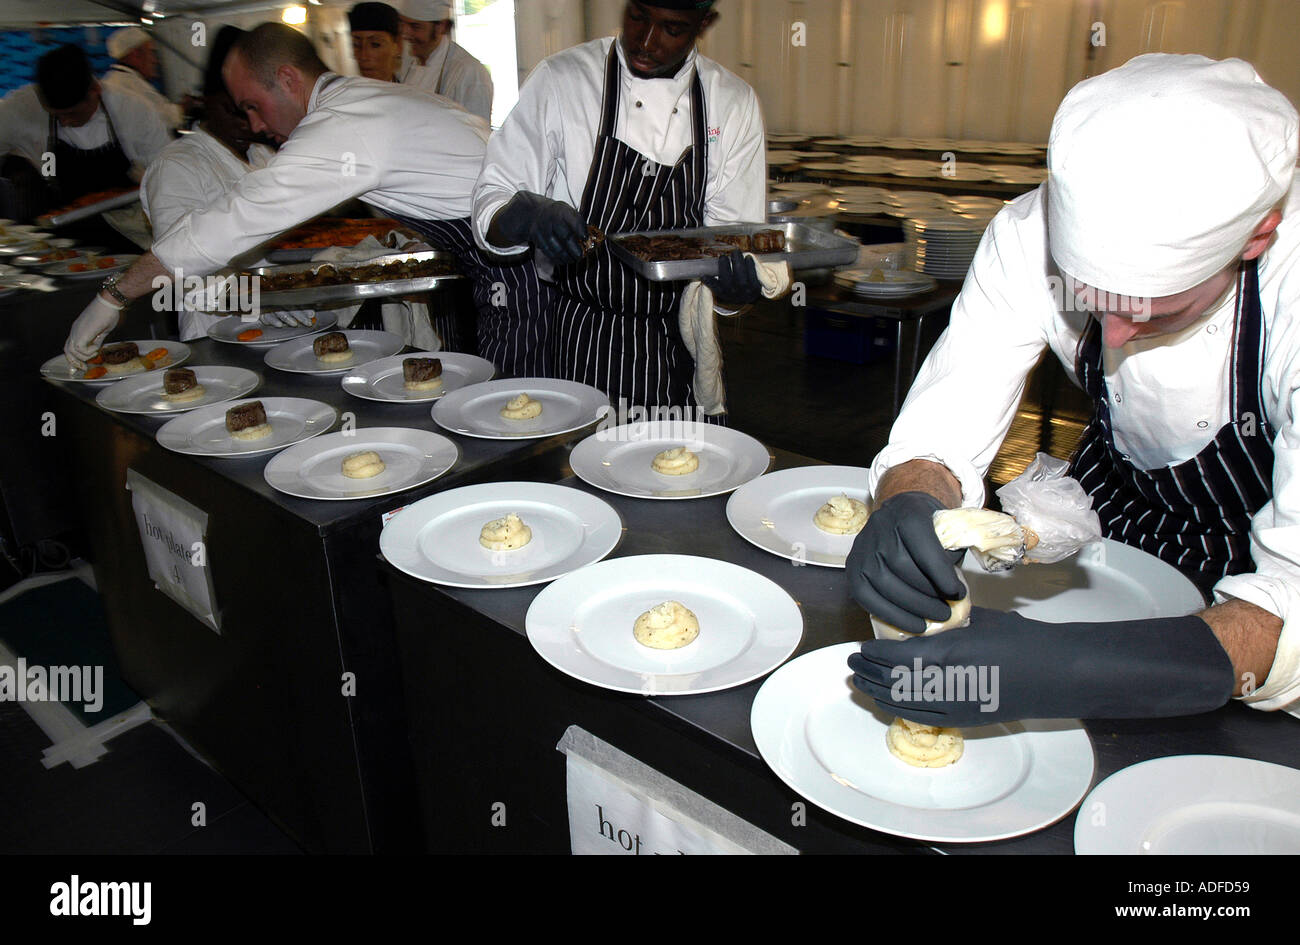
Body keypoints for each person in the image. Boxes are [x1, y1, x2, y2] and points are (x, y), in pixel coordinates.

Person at [845, 54, 1300, 725]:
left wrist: (1084, 669)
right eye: (1088, 298)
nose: (1112, 337)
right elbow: (945, 426)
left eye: (1150, 308)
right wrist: (910, 500)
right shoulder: (1029, 235)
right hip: (1111, 527)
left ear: (1256, 237)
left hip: (1257, 571)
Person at [59, 23, 530, 371]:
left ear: (287, 80)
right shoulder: (367, 99)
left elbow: (225, 226)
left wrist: (114, 295)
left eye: (252, 106)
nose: (257, 125)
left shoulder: (340, 126)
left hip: (524, 272)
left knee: (523, 409)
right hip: (506, 265)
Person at [472, 0, 766, 410]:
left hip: (673, 344)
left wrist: (734, 292)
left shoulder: (731, 103)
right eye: (638, 17)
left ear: (705, 23)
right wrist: (525, 214)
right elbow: (492, 201)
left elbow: (729, 238)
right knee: (576, 464)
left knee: (678, 467)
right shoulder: (565, 80)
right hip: (580, 334)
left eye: (672, 28)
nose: (646, 42)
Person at [139, 26, 287, 341]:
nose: (248, 122)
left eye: (253, 109)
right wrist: (267, 296)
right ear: (206, 101)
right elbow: (182, 268)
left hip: (278, 325)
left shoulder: (261, 154)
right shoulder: (177, 166)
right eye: (233, 110)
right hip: (216, 332)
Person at [0, 44, 171, 212]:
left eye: (72, 113)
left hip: (126, 225)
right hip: (62, 229)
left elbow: (168, 174)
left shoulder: (132, 110)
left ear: (96, 89)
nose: (64, 122)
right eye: (56, 115)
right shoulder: (21, 107)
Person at [396, 0, 493, 122]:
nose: (405, 33)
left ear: (440, 27)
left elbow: (477, 133)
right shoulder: (408, 62)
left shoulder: (470, 73)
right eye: (403, 24)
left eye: (415, 27)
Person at [102, 26, 185, 131]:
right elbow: (161, 119)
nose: (155, 61)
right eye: (151, 53)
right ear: (135, 55)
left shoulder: (116, 80)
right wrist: (183, 108)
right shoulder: (128, 85)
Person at [348, 2, 406, 83]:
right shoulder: (341, 94)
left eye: (375, 44)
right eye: (356, 44)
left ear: (398, 46)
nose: (363, 56)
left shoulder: (411, 93)